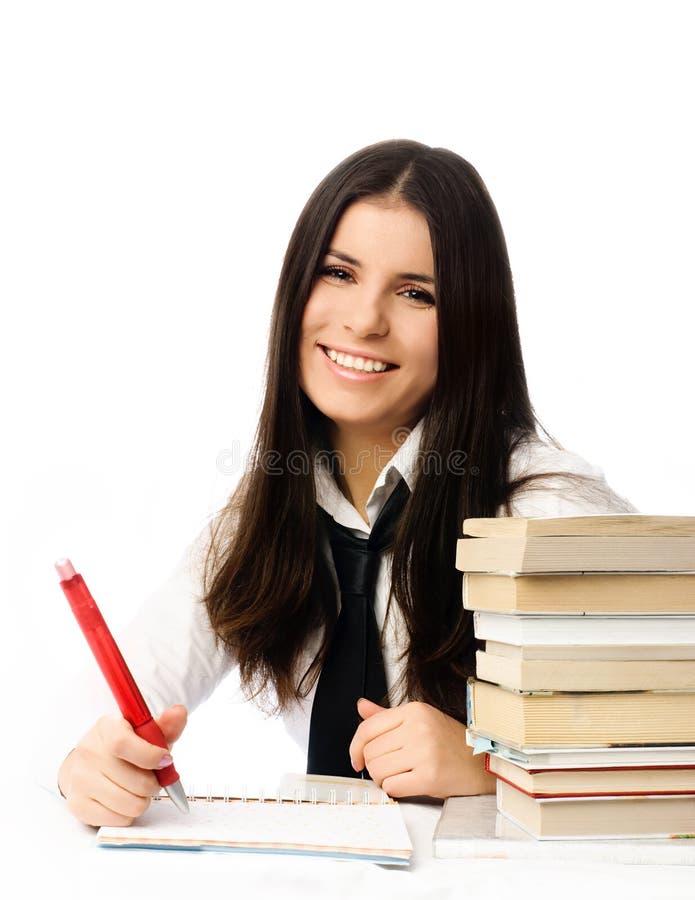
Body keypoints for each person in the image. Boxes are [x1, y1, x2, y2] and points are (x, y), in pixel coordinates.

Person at [54, 138, 637, 826]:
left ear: (472, 324)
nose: (364, 320)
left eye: (416, 293)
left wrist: (494, 763)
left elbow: (659, 741)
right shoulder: (270, 507)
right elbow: (111, 699)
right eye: (338, 273)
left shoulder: (548, 511)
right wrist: (85, 765)